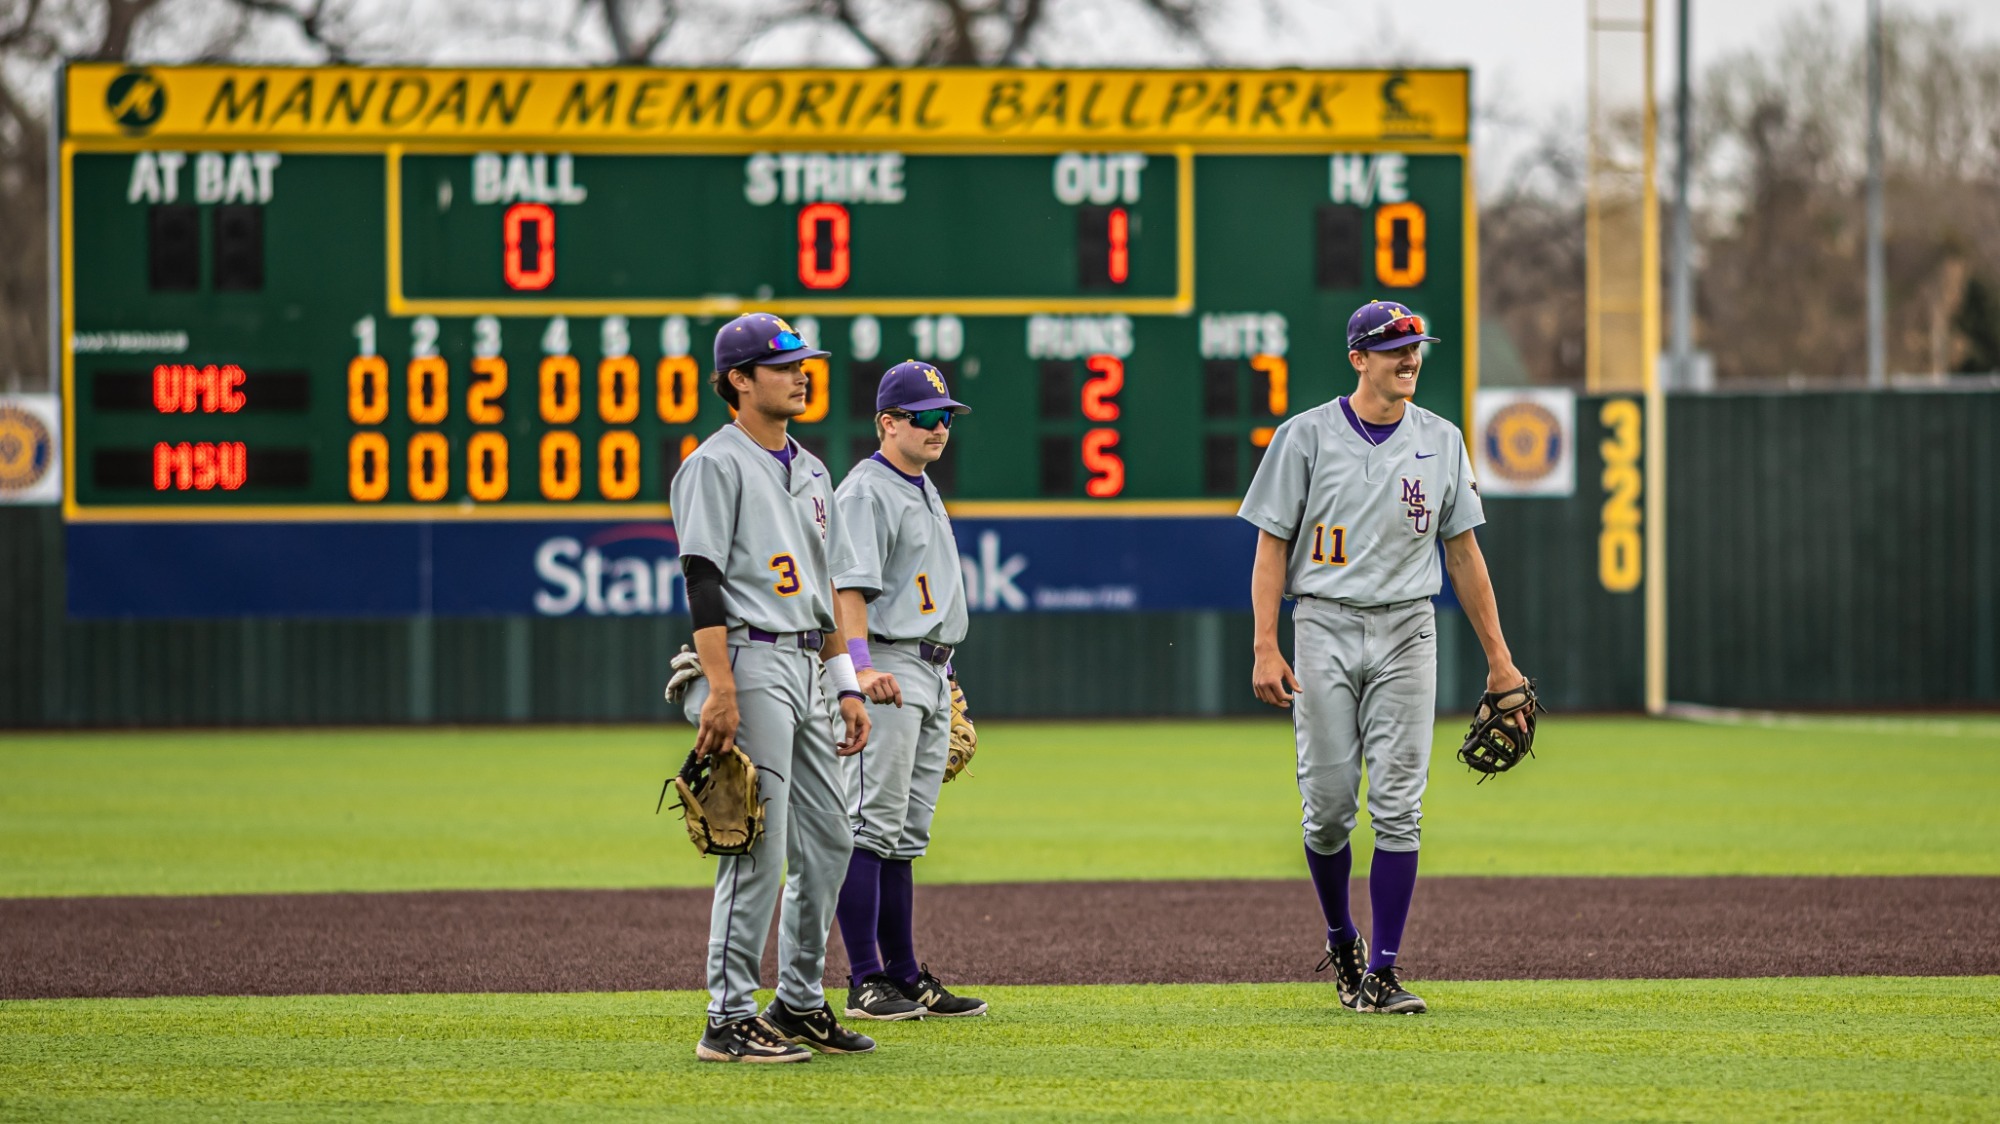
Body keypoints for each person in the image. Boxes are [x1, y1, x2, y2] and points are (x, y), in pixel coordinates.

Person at [1237, 300, 1529, 1015]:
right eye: (1394, 346)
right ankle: (1342, 939)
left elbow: (1462, 551)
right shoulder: (1304, 436)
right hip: (1324, 626)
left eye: (1415, 346)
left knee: (1399, 810)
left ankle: (1385, 972)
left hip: (1408, 629)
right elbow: (1271, 544)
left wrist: (1501, 661)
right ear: (1357, 357)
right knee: (1330, 812)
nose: (1410, 358)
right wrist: (1266, 644)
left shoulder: (1441, 439)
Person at [671, 312, 891, 1062]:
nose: (802, 374)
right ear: (738, 379)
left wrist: (848, 686)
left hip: (807, 662)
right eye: (783, 364)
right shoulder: (715, 463)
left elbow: (824, 589)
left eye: (804, 363)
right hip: (749, 657)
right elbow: (701, 580)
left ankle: (798, 1002)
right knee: (755, 845)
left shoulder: (814, 468)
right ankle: (727, 1017)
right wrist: (721, 688)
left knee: (831, 836)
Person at [830, 361, 989, 1022]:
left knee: (902, 836)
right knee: (868, 826)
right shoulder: (867, 489)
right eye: (923, 416)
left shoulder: (918, 484)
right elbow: (848, 590)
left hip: (926, 670)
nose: (938, 428)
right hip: (887, 667)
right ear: (886, 422)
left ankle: (902, 974)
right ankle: (865, 979)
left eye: (945, 416)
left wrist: (943, 677)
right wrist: (860, 673)